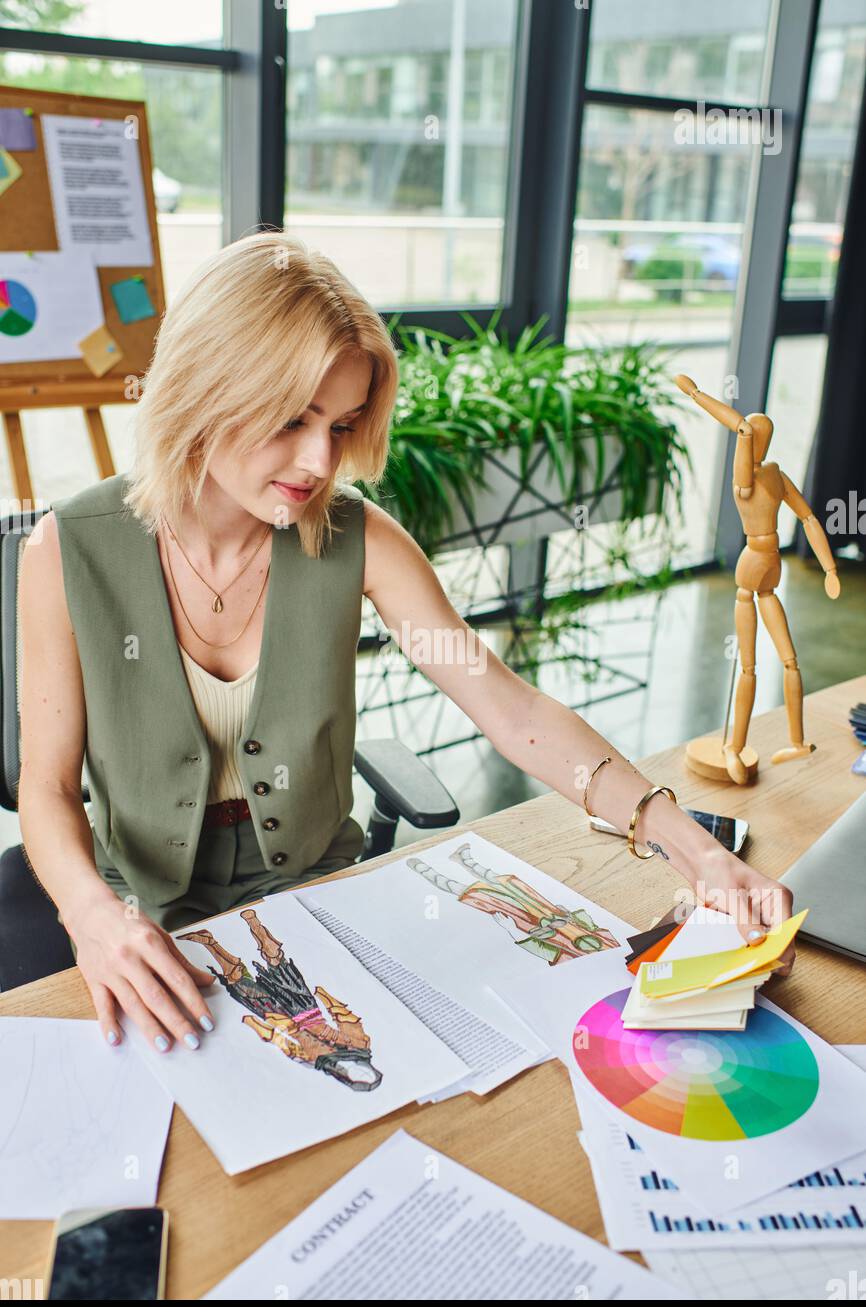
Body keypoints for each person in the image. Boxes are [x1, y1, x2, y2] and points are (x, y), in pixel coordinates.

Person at [17, 231, 795, 1057]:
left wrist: (698, 852)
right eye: (293, 419)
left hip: (317, 889)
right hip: (137, 910)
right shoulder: (68, 550)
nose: (321, 460)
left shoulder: (357, 540)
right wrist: (91, 915)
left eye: (343, 425)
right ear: (206, 387)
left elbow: (510, 708)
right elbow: (47, 787)